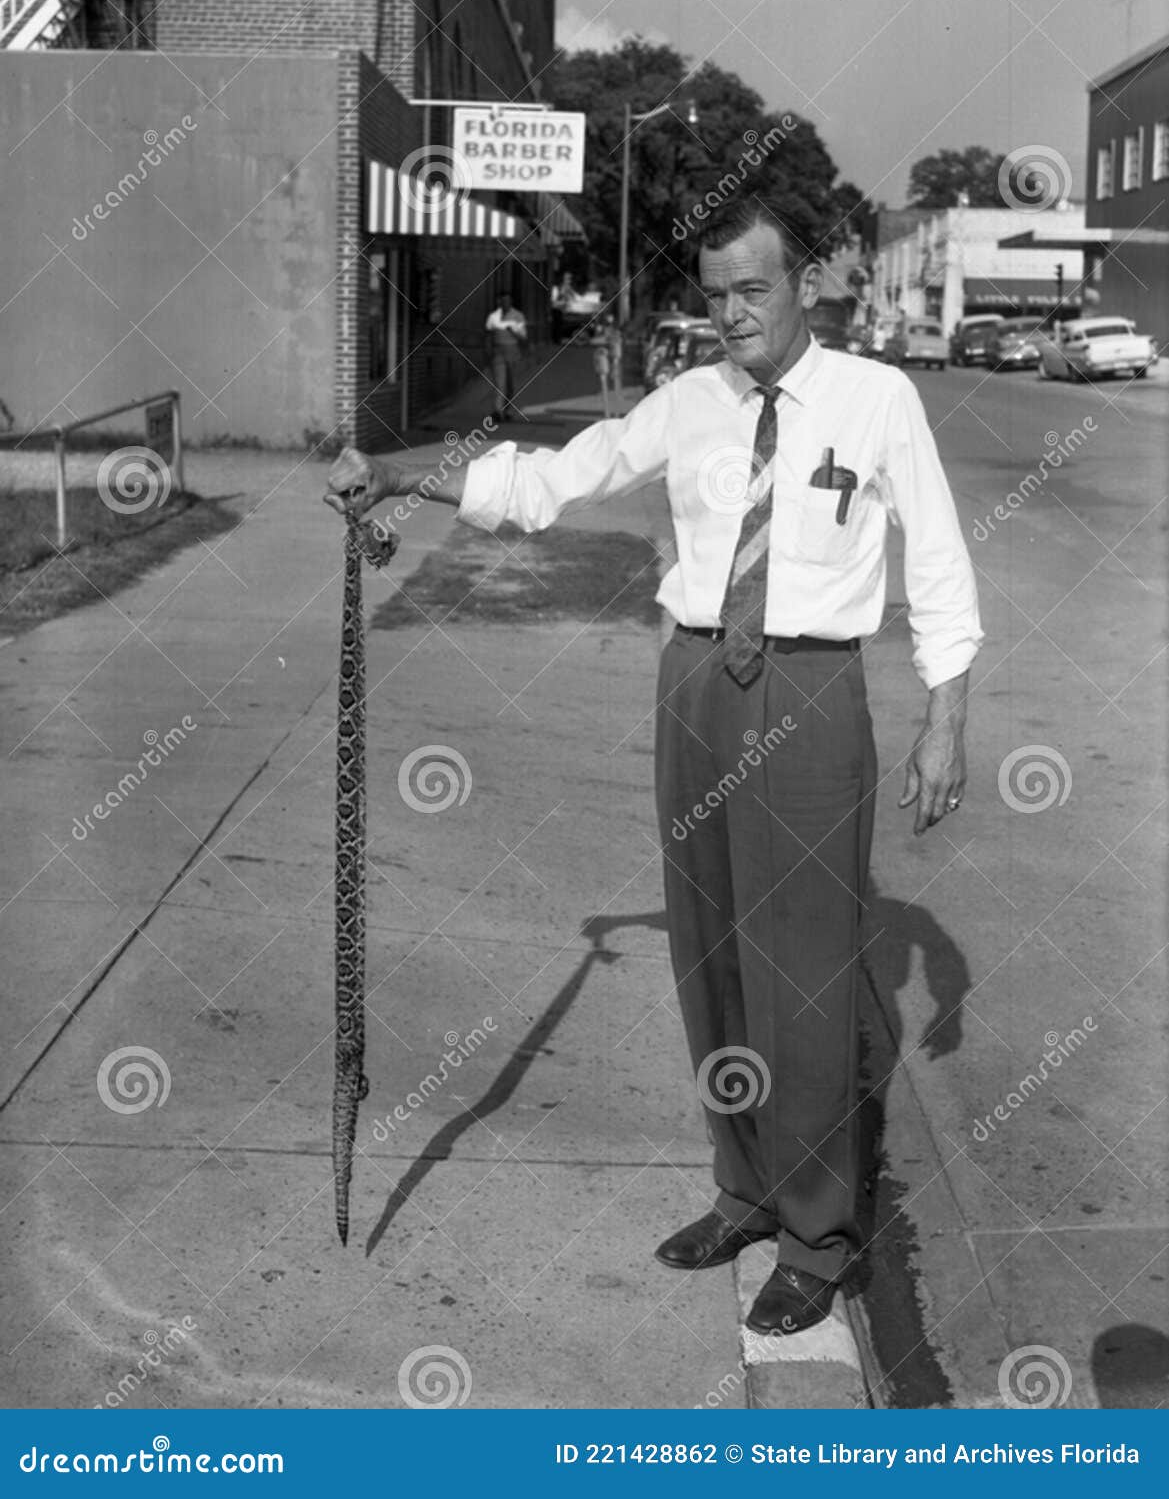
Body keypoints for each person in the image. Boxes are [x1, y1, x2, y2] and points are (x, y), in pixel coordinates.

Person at [325, 194, 982, 1338]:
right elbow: (551, 481)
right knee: (710, 952)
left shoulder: (878, 401)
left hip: (810, 691)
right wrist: (397, 467)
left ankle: (820, 1234)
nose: (729, 313)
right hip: (691, 683)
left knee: (810, 976)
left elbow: (935, 560)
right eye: (714, 292)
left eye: (752, 290)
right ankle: (744, 1190)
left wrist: (944, 716)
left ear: (804, 286)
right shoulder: (688, 402)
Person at [484, 292, 527, 423]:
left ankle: (507, 410)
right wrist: (488, 351)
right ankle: (498, 411)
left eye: (507, 301)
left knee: (511, 384)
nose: (505, 304)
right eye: (503, 301)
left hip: (512, 351)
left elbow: (523, 337)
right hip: (498, 352)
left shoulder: (518, 316)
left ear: (511, 302)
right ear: (499, 302)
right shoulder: (493, 317)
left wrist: (512, 331)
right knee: (500, 383)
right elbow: (488, 335)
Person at [588, 311, 622, 420]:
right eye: (608, 319)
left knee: (614, 380)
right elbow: (604, 339)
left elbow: (614, 340)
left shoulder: (614, 331)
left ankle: (614, 414)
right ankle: (610, 415)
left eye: (610, 318)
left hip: (612, 356)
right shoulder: (607, 329)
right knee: (607, 381)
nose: (609, 320)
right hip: (607, 356)